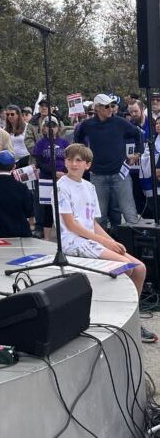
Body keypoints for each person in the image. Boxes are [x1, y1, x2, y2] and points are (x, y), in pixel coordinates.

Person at [56, 144, 155, 343]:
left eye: (78, 160)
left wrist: (111, 242)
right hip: (73, 241)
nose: (73, 164)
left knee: (141, 268)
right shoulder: (60, 187)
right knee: (125, 267)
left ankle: (131, 318)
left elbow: (91, 223)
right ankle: (116, 319)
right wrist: (104, 242)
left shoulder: (89, 187)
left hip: (90, 239)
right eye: (70, 159)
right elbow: (71, 224)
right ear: (65, 161)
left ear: (88, 164)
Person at [73, 93, 143, 228]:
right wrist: (84, 156)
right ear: (97, 108)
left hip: (120, 174)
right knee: (99, 217)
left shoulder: (120, 122)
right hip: (97, 175)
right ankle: (102, 247)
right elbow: (78, 139)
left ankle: (134, 247)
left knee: (130, 214)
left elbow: (138, 134)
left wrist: (137, 153)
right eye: (106, 106)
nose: (110, 109)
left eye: (112, 105)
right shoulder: (87, 124)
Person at [31, 118, 69, 239]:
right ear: (44, 128)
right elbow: (40, 163)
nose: (51, 128)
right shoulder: (41, 143)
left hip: (63, 178)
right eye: (48, 126)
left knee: (63, 207)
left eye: (53, 125)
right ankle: (47, 237)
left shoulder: (64, 143)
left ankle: (63, 237)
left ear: (58, 127)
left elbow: (69, 159)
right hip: (47, 178)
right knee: (47, 208)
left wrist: (64, 173)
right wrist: (54, 173)